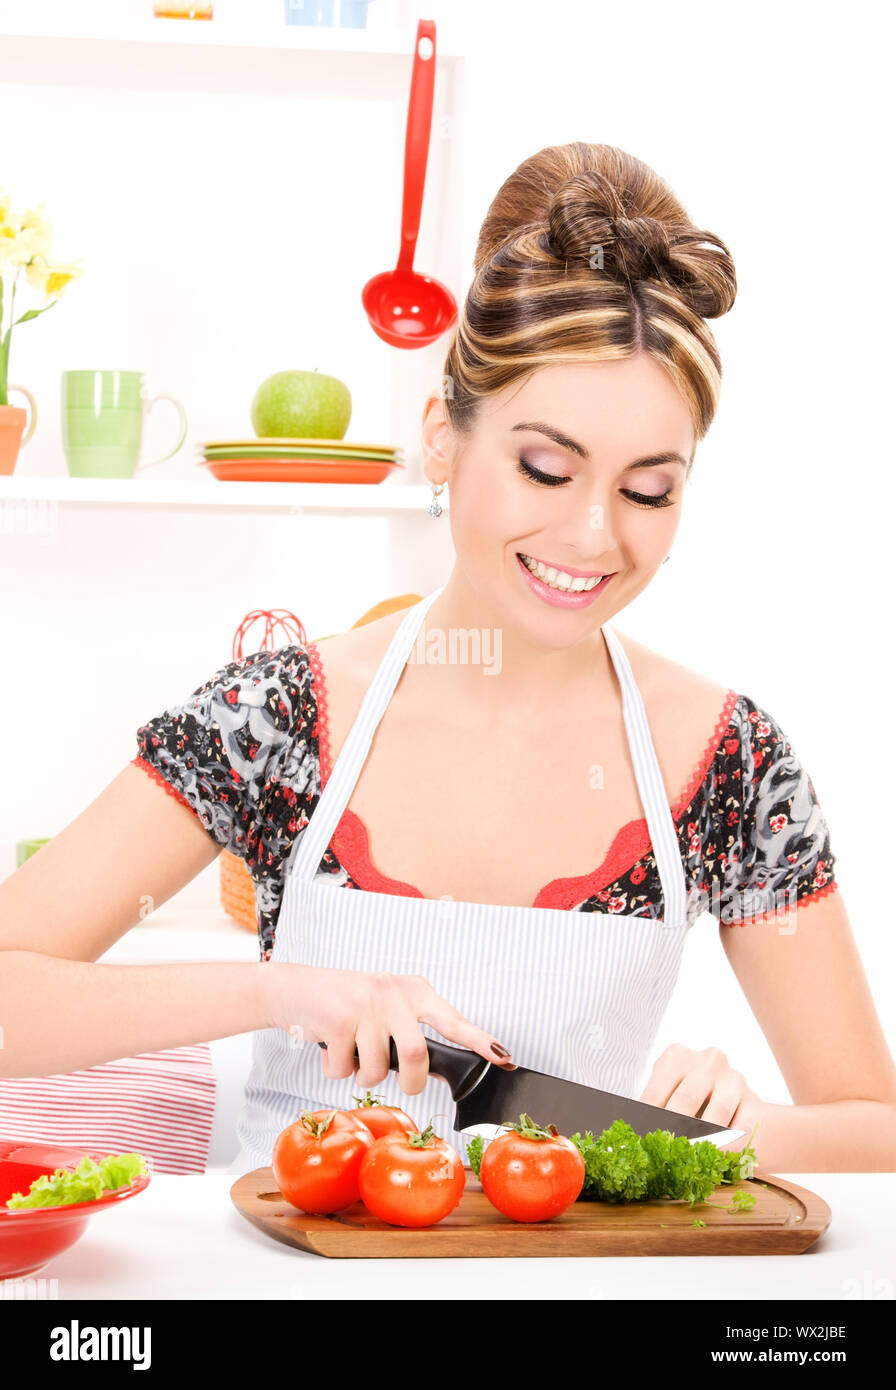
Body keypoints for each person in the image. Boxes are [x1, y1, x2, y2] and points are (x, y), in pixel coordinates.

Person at [2, 142, 894, 1176]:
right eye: (545, 467)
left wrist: (739, 1131)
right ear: (440, 438)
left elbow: (872, 1124)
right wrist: (281, 989)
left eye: (648, 489)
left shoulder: (726, 762)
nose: (594, 535)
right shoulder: (282, 719)